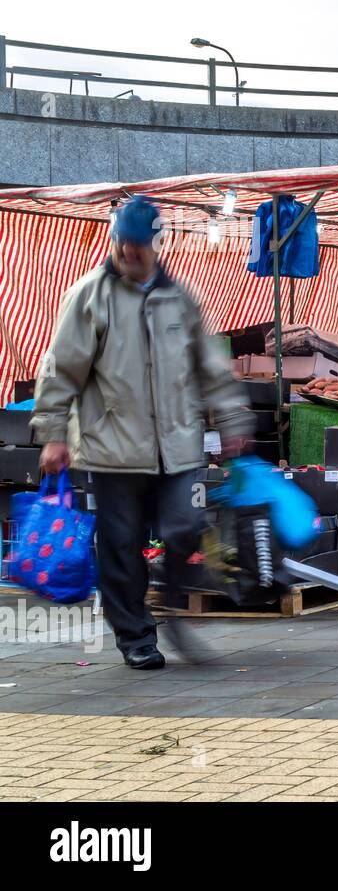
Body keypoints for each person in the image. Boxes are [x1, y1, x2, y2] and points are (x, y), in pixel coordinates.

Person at [31, 196, 252, 670]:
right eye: (123, 243)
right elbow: (60, 370)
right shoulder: (89, 296)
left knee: (185, 527)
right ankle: (136, 637)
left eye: (138, 245)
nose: (129, 252)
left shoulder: (180, 298)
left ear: (157, 244)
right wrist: (53, 433)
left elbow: (210, 366)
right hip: (112, 449)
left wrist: (233, 418)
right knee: (121, 547)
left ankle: (172, 601)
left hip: (177, 446)